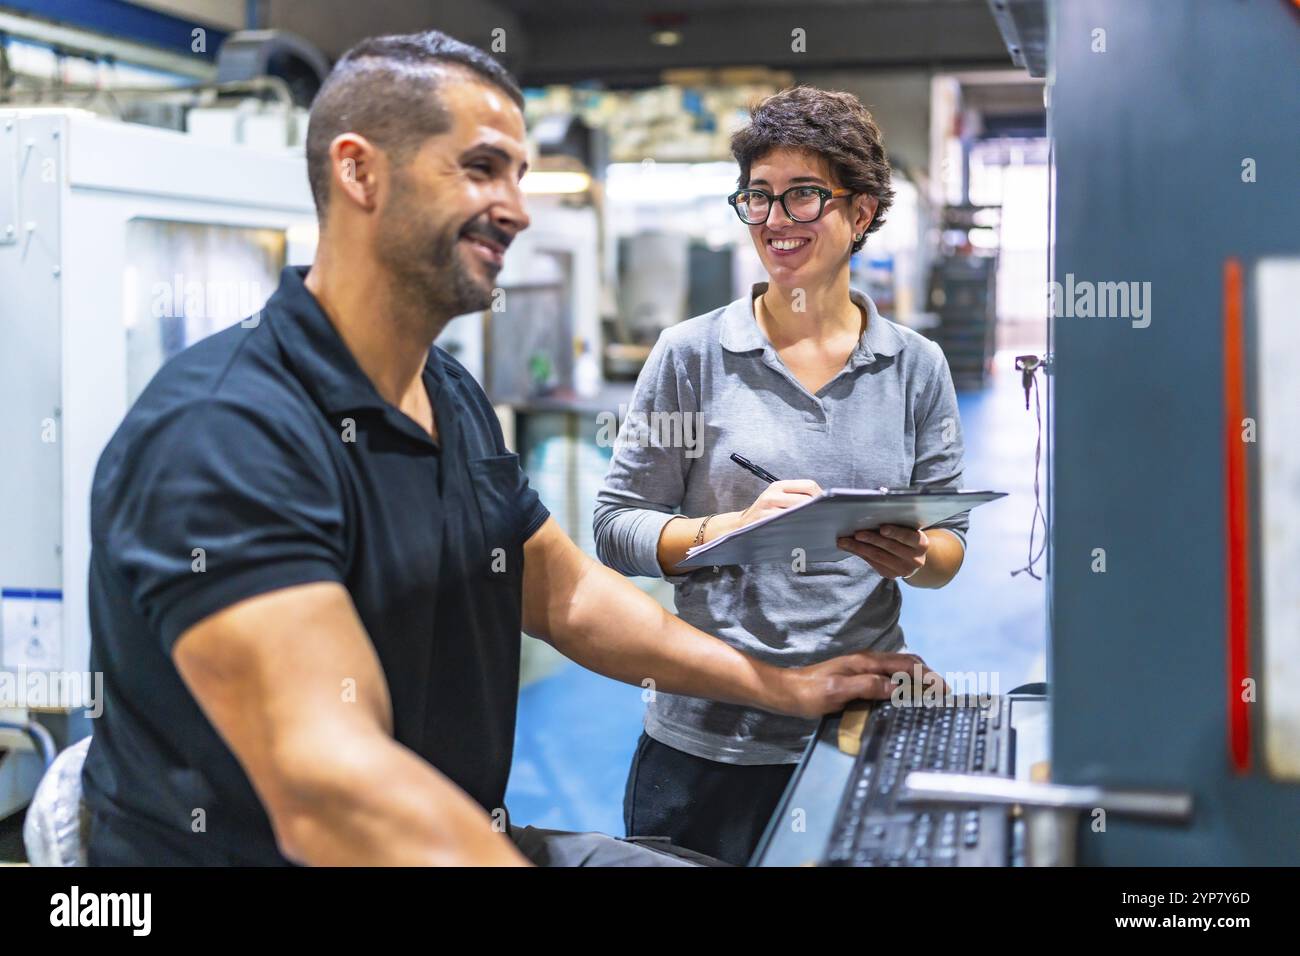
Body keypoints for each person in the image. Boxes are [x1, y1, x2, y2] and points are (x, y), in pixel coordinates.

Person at [80, 34, 934, 867]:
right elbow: (330, 799)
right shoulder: (227, 431)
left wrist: (779, 687)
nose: (520, 209)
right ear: (358, 170)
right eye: (482, 168)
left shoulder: (444, 394)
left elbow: (561, 594)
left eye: (520, 176)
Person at [595, 86, 969, 866]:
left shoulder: (914, 367)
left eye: (802, 195)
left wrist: (917, 552)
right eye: (757, 198)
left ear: (860, 212)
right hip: (705, 744)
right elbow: (616, 525)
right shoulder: (691, 356)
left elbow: (949, 545)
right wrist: (720, 531)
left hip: (854, 729)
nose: (774, 220)